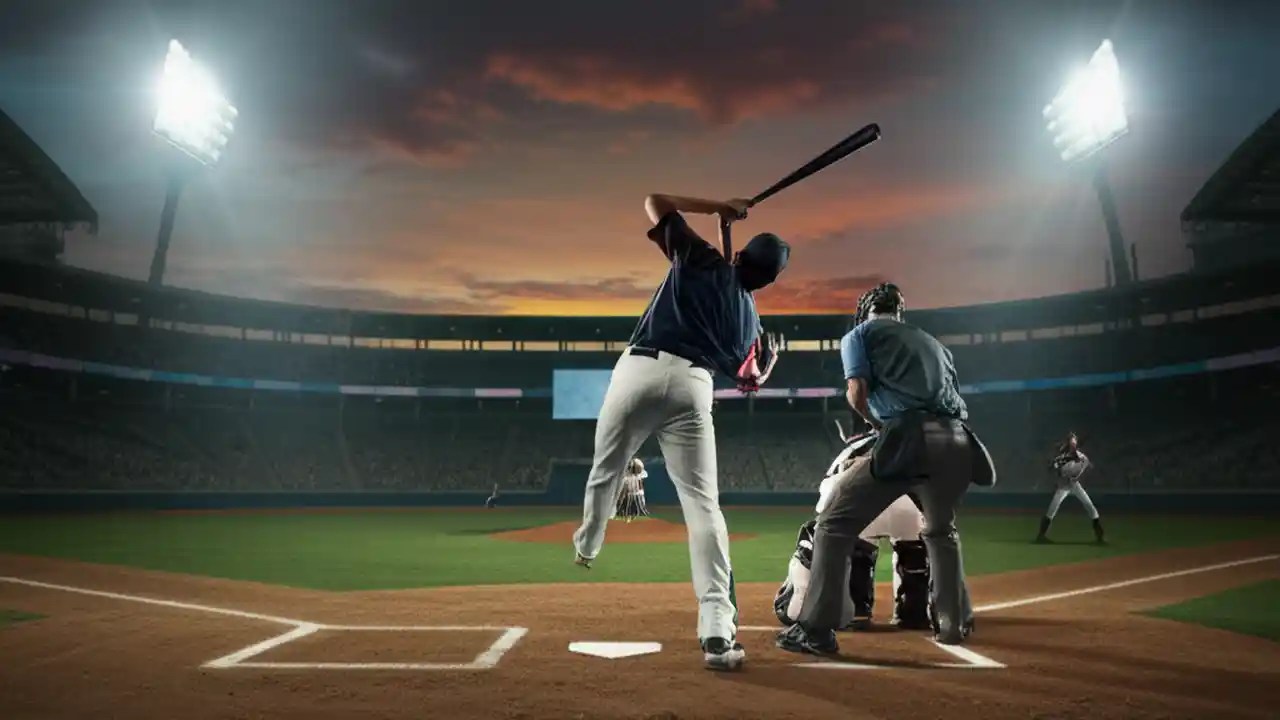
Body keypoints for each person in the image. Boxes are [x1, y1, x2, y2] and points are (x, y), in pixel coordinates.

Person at [572, 191, 790, 672]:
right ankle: (715, 627)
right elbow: (749, 378)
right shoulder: (749, 318)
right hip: (694, 388)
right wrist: (763, 374)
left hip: (641, 369)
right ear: (768, 280)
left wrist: (716, 207)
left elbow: (653, 200)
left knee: (606, 470)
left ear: (739, 255)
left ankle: (588, 543)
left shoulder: (703, 258)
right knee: (703, 507)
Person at [776, 282, 995, 657]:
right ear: (899, 312)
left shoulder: (859, 335)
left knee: (834, 520)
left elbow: (856, 394)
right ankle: (954, 624)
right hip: (959, 440)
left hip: (909, 437)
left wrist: (878, 426)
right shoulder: (934, 343)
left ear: (866, 311)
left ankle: (816, 630)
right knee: (942, 531)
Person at [1036, 432, 1105, 544]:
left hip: (1075, 485)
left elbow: (1088, 465)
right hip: (1063, 486)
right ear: (1067, 443)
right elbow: (1053, 468)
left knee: (1090, 507)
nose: (1072, 444)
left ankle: (1100, 537)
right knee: (1052, 510)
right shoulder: (1062, 458)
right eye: (1070, 442)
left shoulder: (1080, 456)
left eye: (1074, 442)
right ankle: (1041, 536)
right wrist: (1056, 462)